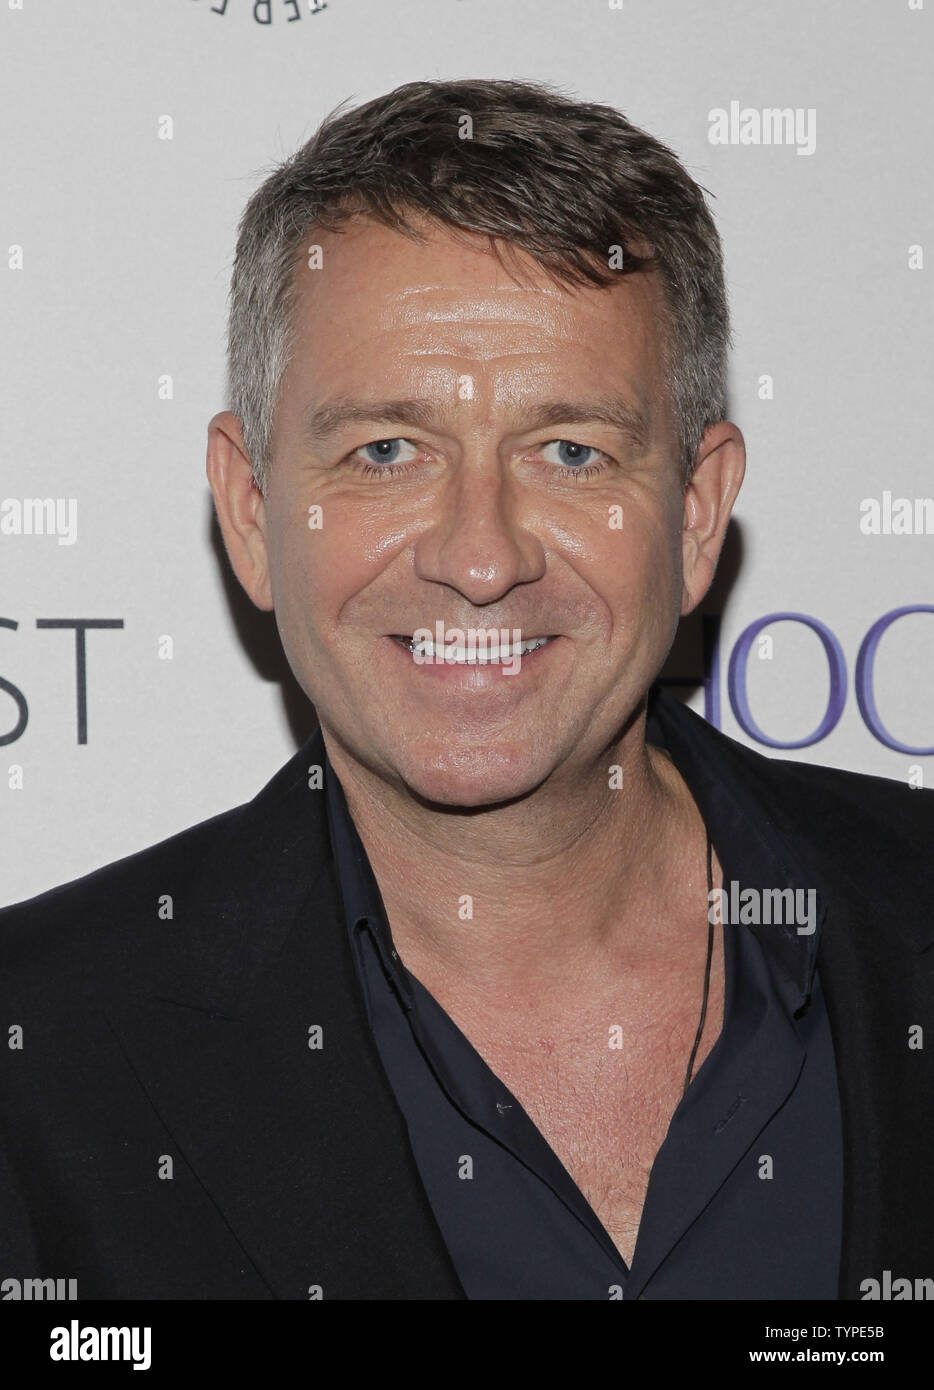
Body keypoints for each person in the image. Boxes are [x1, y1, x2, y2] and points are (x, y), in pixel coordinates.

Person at [1, 78, 932, 1302]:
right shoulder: (43, 1056)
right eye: (386, 450)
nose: (481, 557)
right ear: (251, 507)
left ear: (695, 515)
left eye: (569, 451)